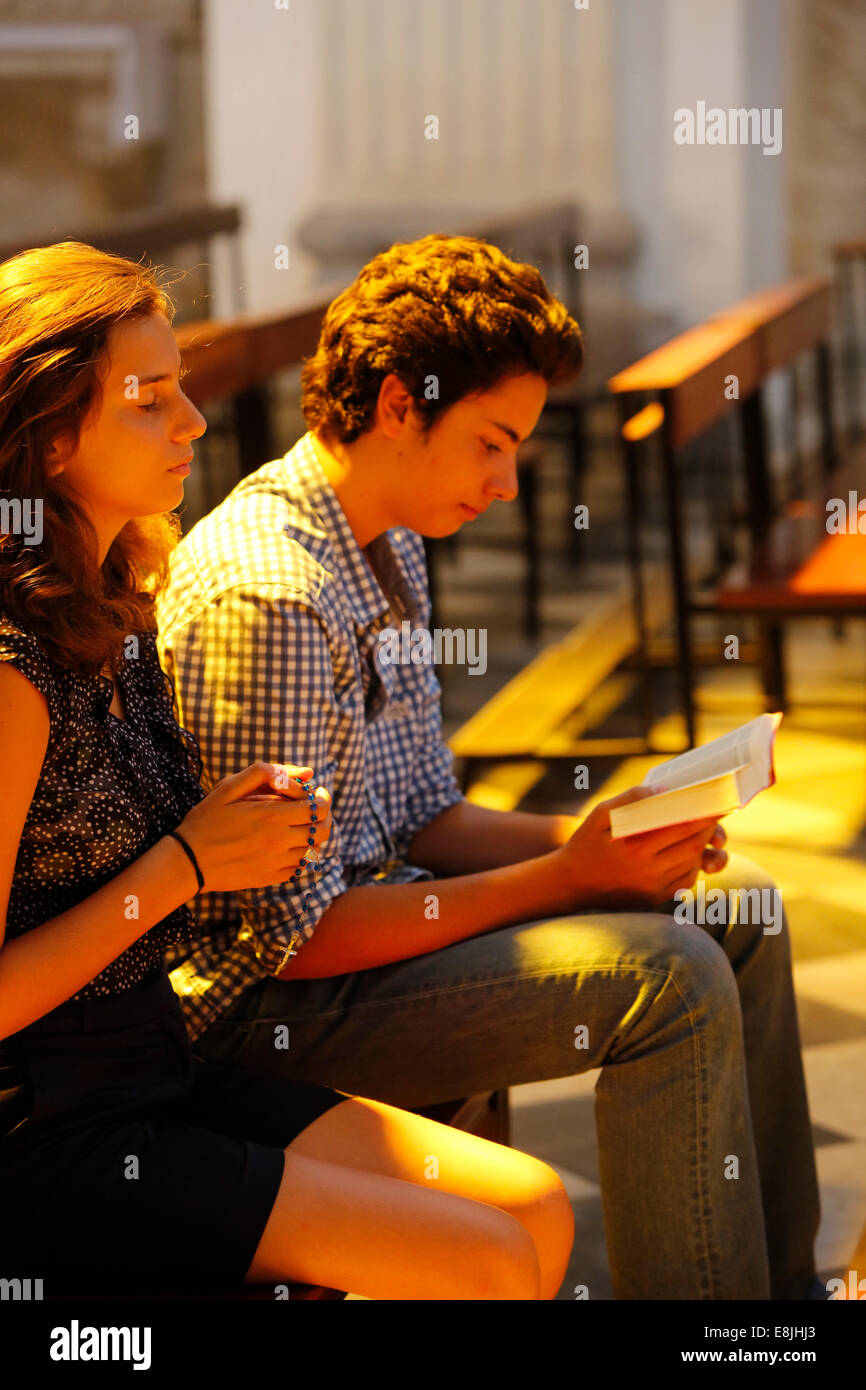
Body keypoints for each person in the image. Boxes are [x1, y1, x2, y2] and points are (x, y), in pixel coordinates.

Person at [159, 233, 825, 1301]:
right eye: (489, 443)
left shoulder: (387, 536)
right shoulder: (270, 594)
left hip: (378, 927)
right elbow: (295, 940)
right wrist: (567, 880)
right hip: (265, 1011)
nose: (507, 484)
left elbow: (425, 808)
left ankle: (772, 1302)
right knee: (667, 975)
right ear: (395, 404)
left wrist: (605, 837)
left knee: (735, 903)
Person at [0, 241, 575, 1302]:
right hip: (48, 1130)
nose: (195, 423)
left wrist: (241, 824)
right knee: (485, 1260)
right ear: (48, 432)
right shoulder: (13, 667)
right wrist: (187, 861)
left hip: (155, 1072)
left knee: (532, 1206)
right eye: (151, 400)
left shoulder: (114, 603)